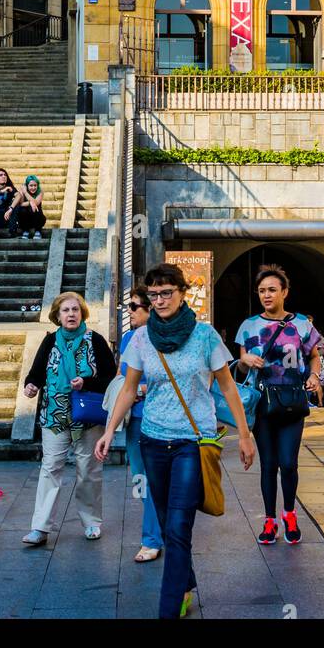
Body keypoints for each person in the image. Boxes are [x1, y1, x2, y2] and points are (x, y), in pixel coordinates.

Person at [96, 262, 256, 620]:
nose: (159, 300)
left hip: (192, 442)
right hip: (153, 440)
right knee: (169, 524)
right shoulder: (141, 338)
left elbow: (228, 387)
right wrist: (110, 430)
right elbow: (128, 387)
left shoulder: (205, 336)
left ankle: (168, 610)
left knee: (179, 525)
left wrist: (245, 435)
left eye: (166, 292)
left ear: (183, 293)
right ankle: (185, 584)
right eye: (153, 294)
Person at [236, 265, 323, 546]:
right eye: (262, 291)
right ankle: (269, 520)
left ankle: (290, 514)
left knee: (288, 463)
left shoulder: (301, 324)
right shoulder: (249, 325)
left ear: (284, 292)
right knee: (268, 464)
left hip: (292, 402)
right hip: (262, 402)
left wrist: (313, 375)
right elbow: (240, 364)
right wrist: (245, 360)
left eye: (272, 290)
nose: (266, 295)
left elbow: (314, 355)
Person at [21, 291, 116, 547]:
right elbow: (36, 374)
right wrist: (30, 386)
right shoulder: (50, 341)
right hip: (54, 414)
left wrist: (87, 382)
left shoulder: (94, 340)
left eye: (75, 309)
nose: (71, 314)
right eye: (66, 310)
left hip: (87, 415)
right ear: (57, 315)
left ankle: (92, 522)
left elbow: (112, 377)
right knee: (50, 468)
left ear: (82, 313)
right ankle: (40, 527)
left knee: (88, 470)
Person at [119, 284, 163, 563]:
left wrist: (142, 390)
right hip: (133, 419)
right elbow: (121, 378)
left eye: (135, 307)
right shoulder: (127, 338)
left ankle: (151, 538)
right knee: (140, 480)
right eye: (128, 306)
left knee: (156, 481)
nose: (130, 312)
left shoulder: (163, 339)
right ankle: (156, 532)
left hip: (159, 419)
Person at [5, 175, 46, 239]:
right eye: (31, 185)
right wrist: (30, 203)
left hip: (37, 218)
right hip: (26, 219)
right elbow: (21, 204)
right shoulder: (22, 190)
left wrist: (26, 192)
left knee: (35, 208)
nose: (33, 187)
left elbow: (36, 202)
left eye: (35, 185)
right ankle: (25, 231)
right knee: (22, 210)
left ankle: (38, 231)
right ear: (27, 185)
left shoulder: (40, 191)